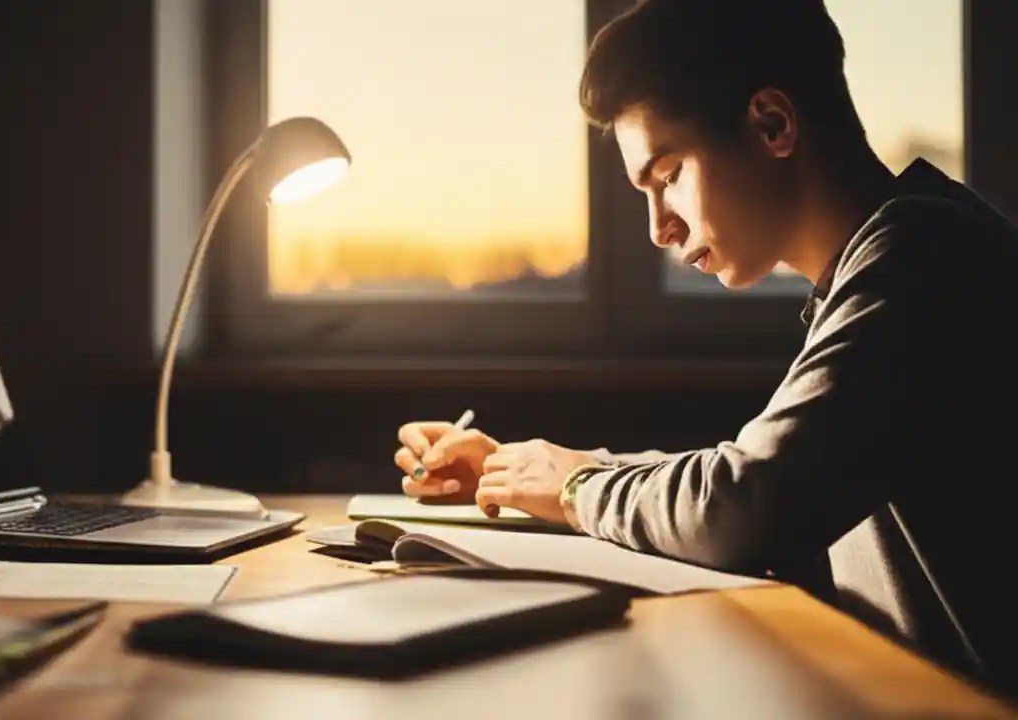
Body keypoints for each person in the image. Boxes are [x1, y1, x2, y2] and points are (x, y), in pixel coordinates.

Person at [392, 0, 1017, 697]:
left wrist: (574, 489)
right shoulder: (883, 262)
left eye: (668, 177)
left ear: (772, 125)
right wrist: (530, 471)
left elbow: (748, 504)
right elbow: (764, 478)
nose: (658, 227)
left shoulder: (924, 262)